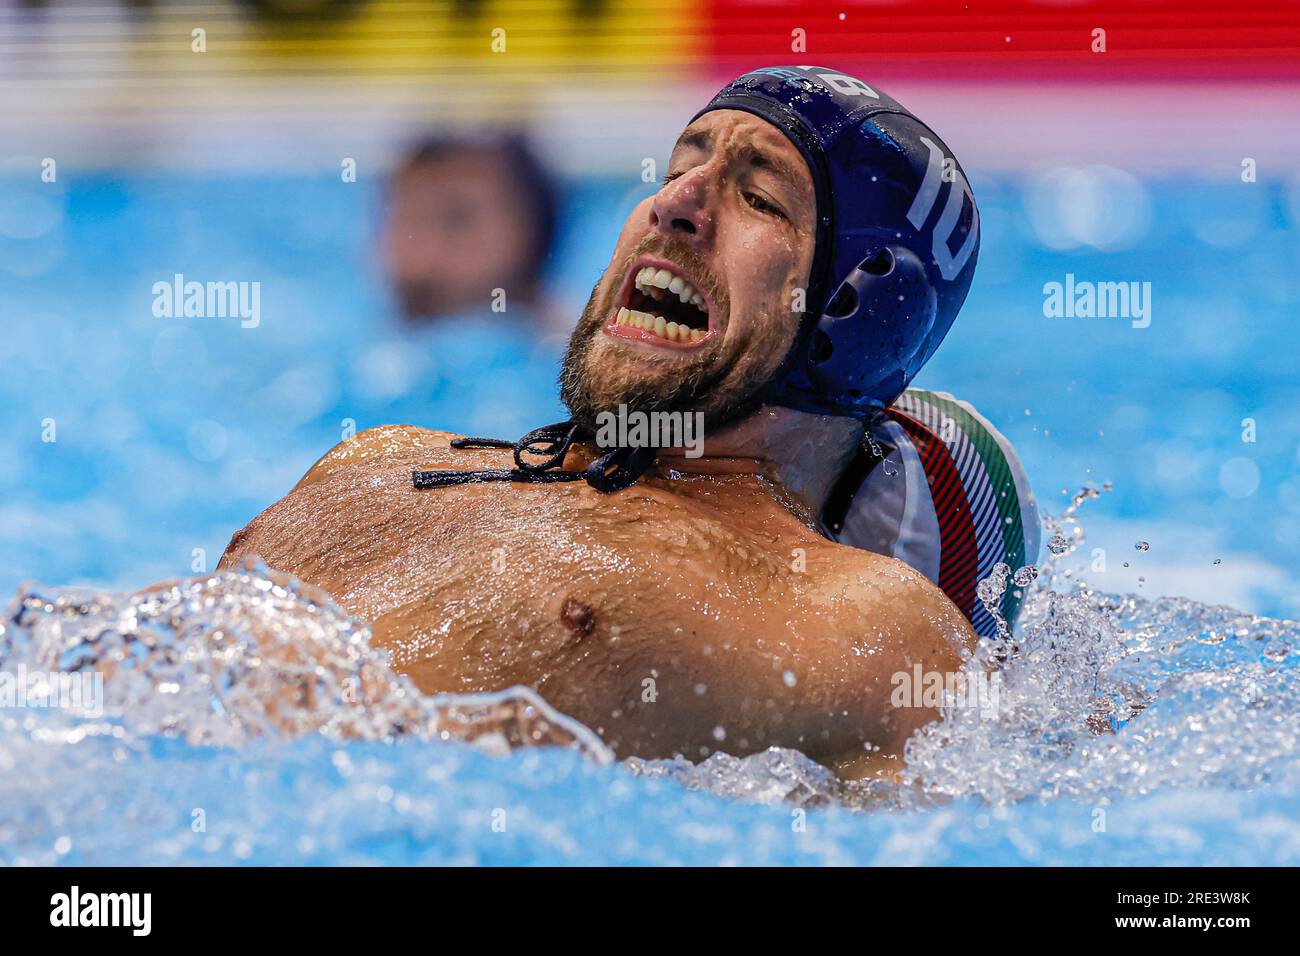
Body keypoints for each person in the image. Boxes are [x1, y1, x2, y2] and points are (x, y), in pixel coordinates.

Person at [222, 66, 1037, 779]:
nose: (674, 203)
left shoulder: (857, 620)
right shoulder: (377, 454)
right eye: (680, 168)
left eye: (759, 197)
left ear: (854, 314)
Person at [382, 132, 559, 326]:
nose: (424, 245)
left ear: (529, 233)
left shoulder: (549, 349)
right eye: (411, 215)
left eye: (457, 219)